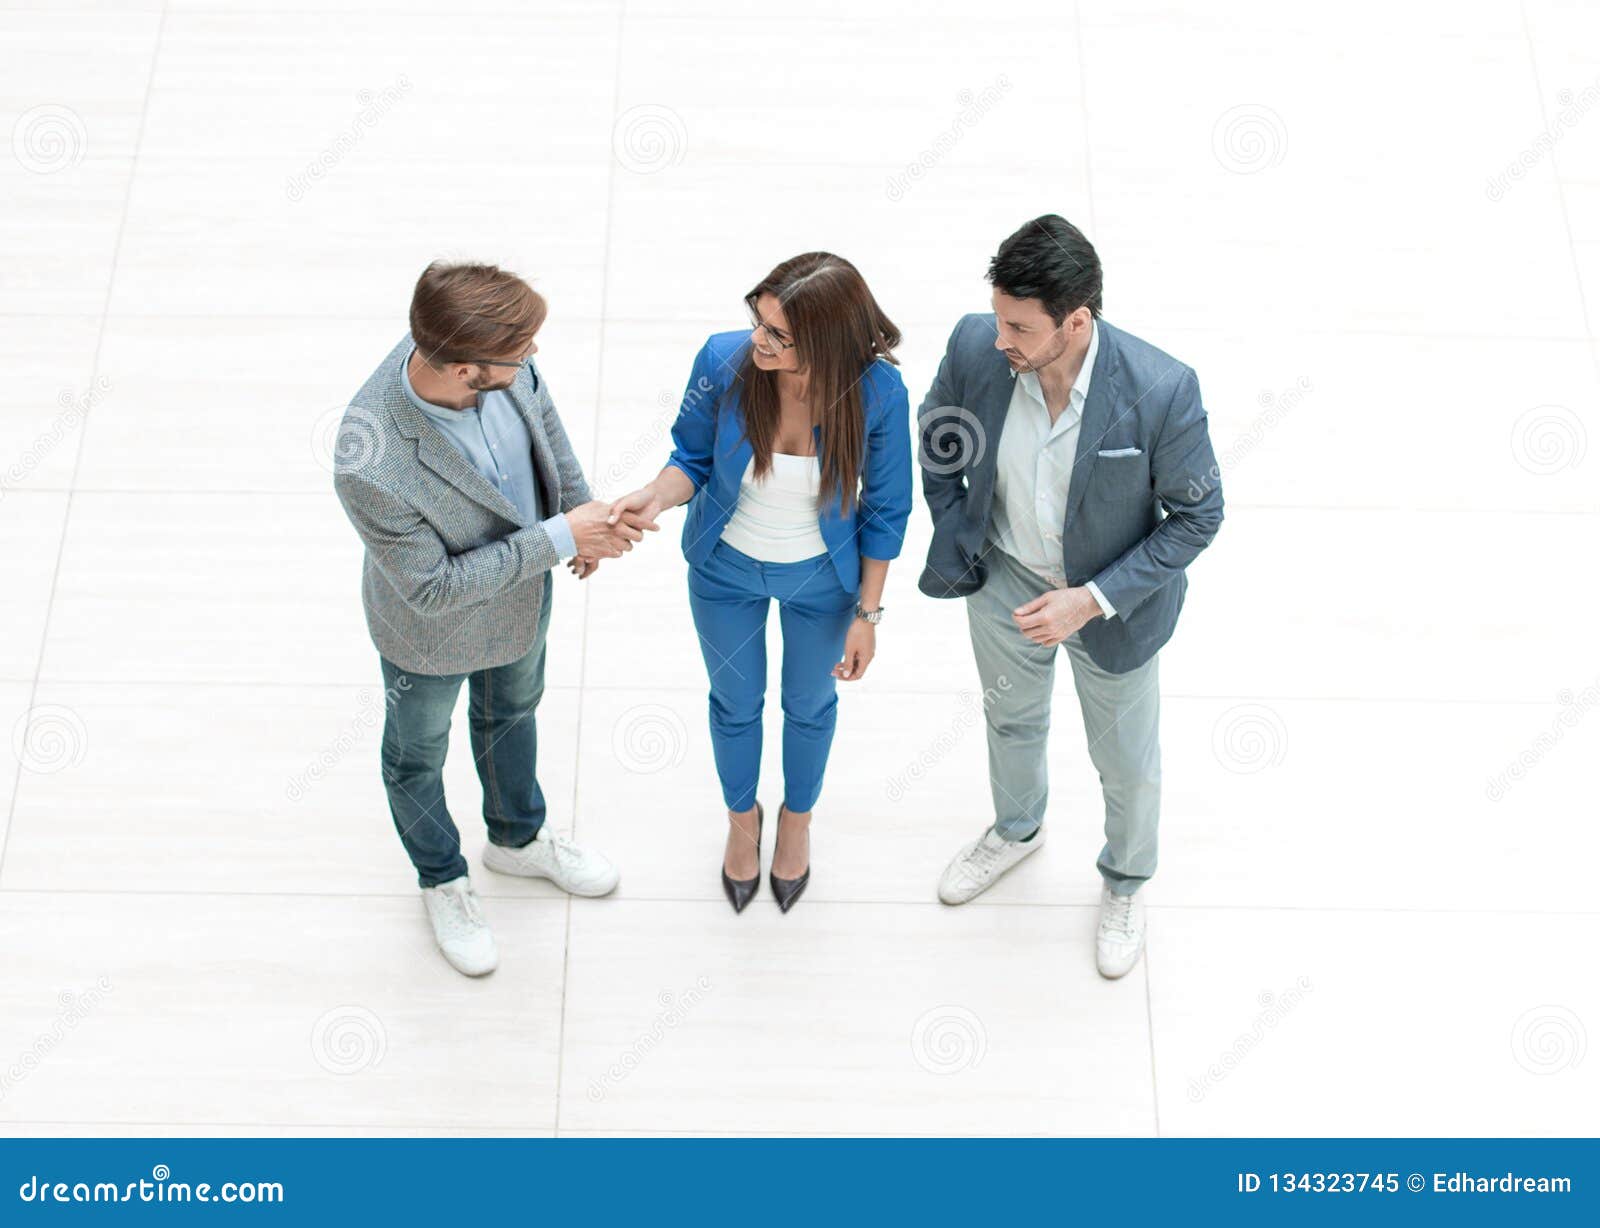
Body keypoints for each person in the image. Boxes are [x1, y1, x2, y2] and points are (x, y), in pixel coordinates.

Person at [918, 216, 1224, 978]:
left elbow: (1199, 515)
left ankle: (1126, 881)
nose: (1001, 340)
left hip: (1112, 608)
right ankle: (1017, 831)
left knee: (1125, 760)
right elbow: (937, 433)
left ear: (1077, 322)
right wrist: (959, 529)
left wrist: (1090, 600)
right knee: (1010, 720)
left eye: (1020, 327)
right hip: (1003, 580)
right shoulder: (976, 347)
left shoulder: (1161, 389)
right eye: (998, 318)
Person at [334, 261, 642, 976]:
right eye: (519, 353)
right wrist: (559, 537)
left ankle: (516, 839)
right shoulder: (368, 459)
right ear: (464, 369)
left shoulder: (499, 357)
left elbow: (544, 426)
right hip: (429, 637)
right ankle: (441, 877)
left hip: (521, 603)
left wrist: (579, 512)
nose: (533, 357)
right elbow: (432, 588)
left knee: (512, 716)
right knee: (416, 756)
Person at [608, 253, 912, 914]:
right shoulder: (723, 360)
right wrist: (655, 495)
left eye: (779, 335)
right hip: (725, 571)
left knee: (810, 705)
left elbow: (887, 510)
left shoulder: (879, 393)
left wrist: (868, 615)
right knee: (735, 703)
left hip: (823, 582)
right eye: (759, 322)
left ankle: (796, 821)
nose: (759, 341)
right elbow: (690, 458)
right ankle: (742, 821)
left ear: (828, 343)